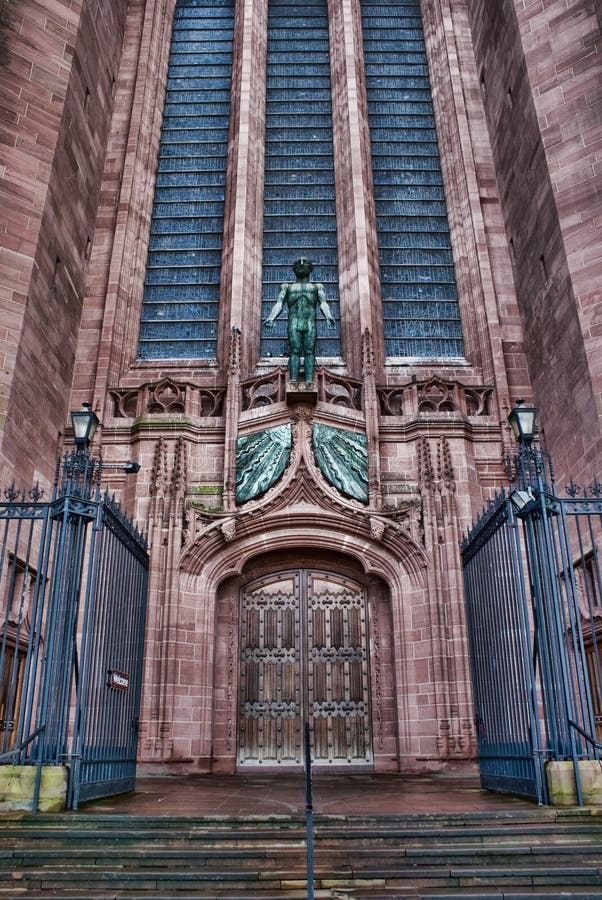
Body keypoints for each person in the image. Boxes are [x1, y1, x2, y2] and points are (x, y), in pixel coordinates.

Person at [264, 257, 335, 382]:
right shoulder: (287, 287)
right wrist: (271, 318)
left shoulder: (317, 287)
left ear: (310, 269)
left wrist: (328, 316)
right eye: (299, 264)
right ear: (294, 270)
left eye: (305, 263)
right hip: (294, 322)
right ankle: (293, 381)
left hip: (310, 323)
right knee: (295, 350)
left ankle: (309, 381)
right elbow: (279, 303)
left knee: (309, 351)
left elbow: (323, 303)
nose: (302, 264)